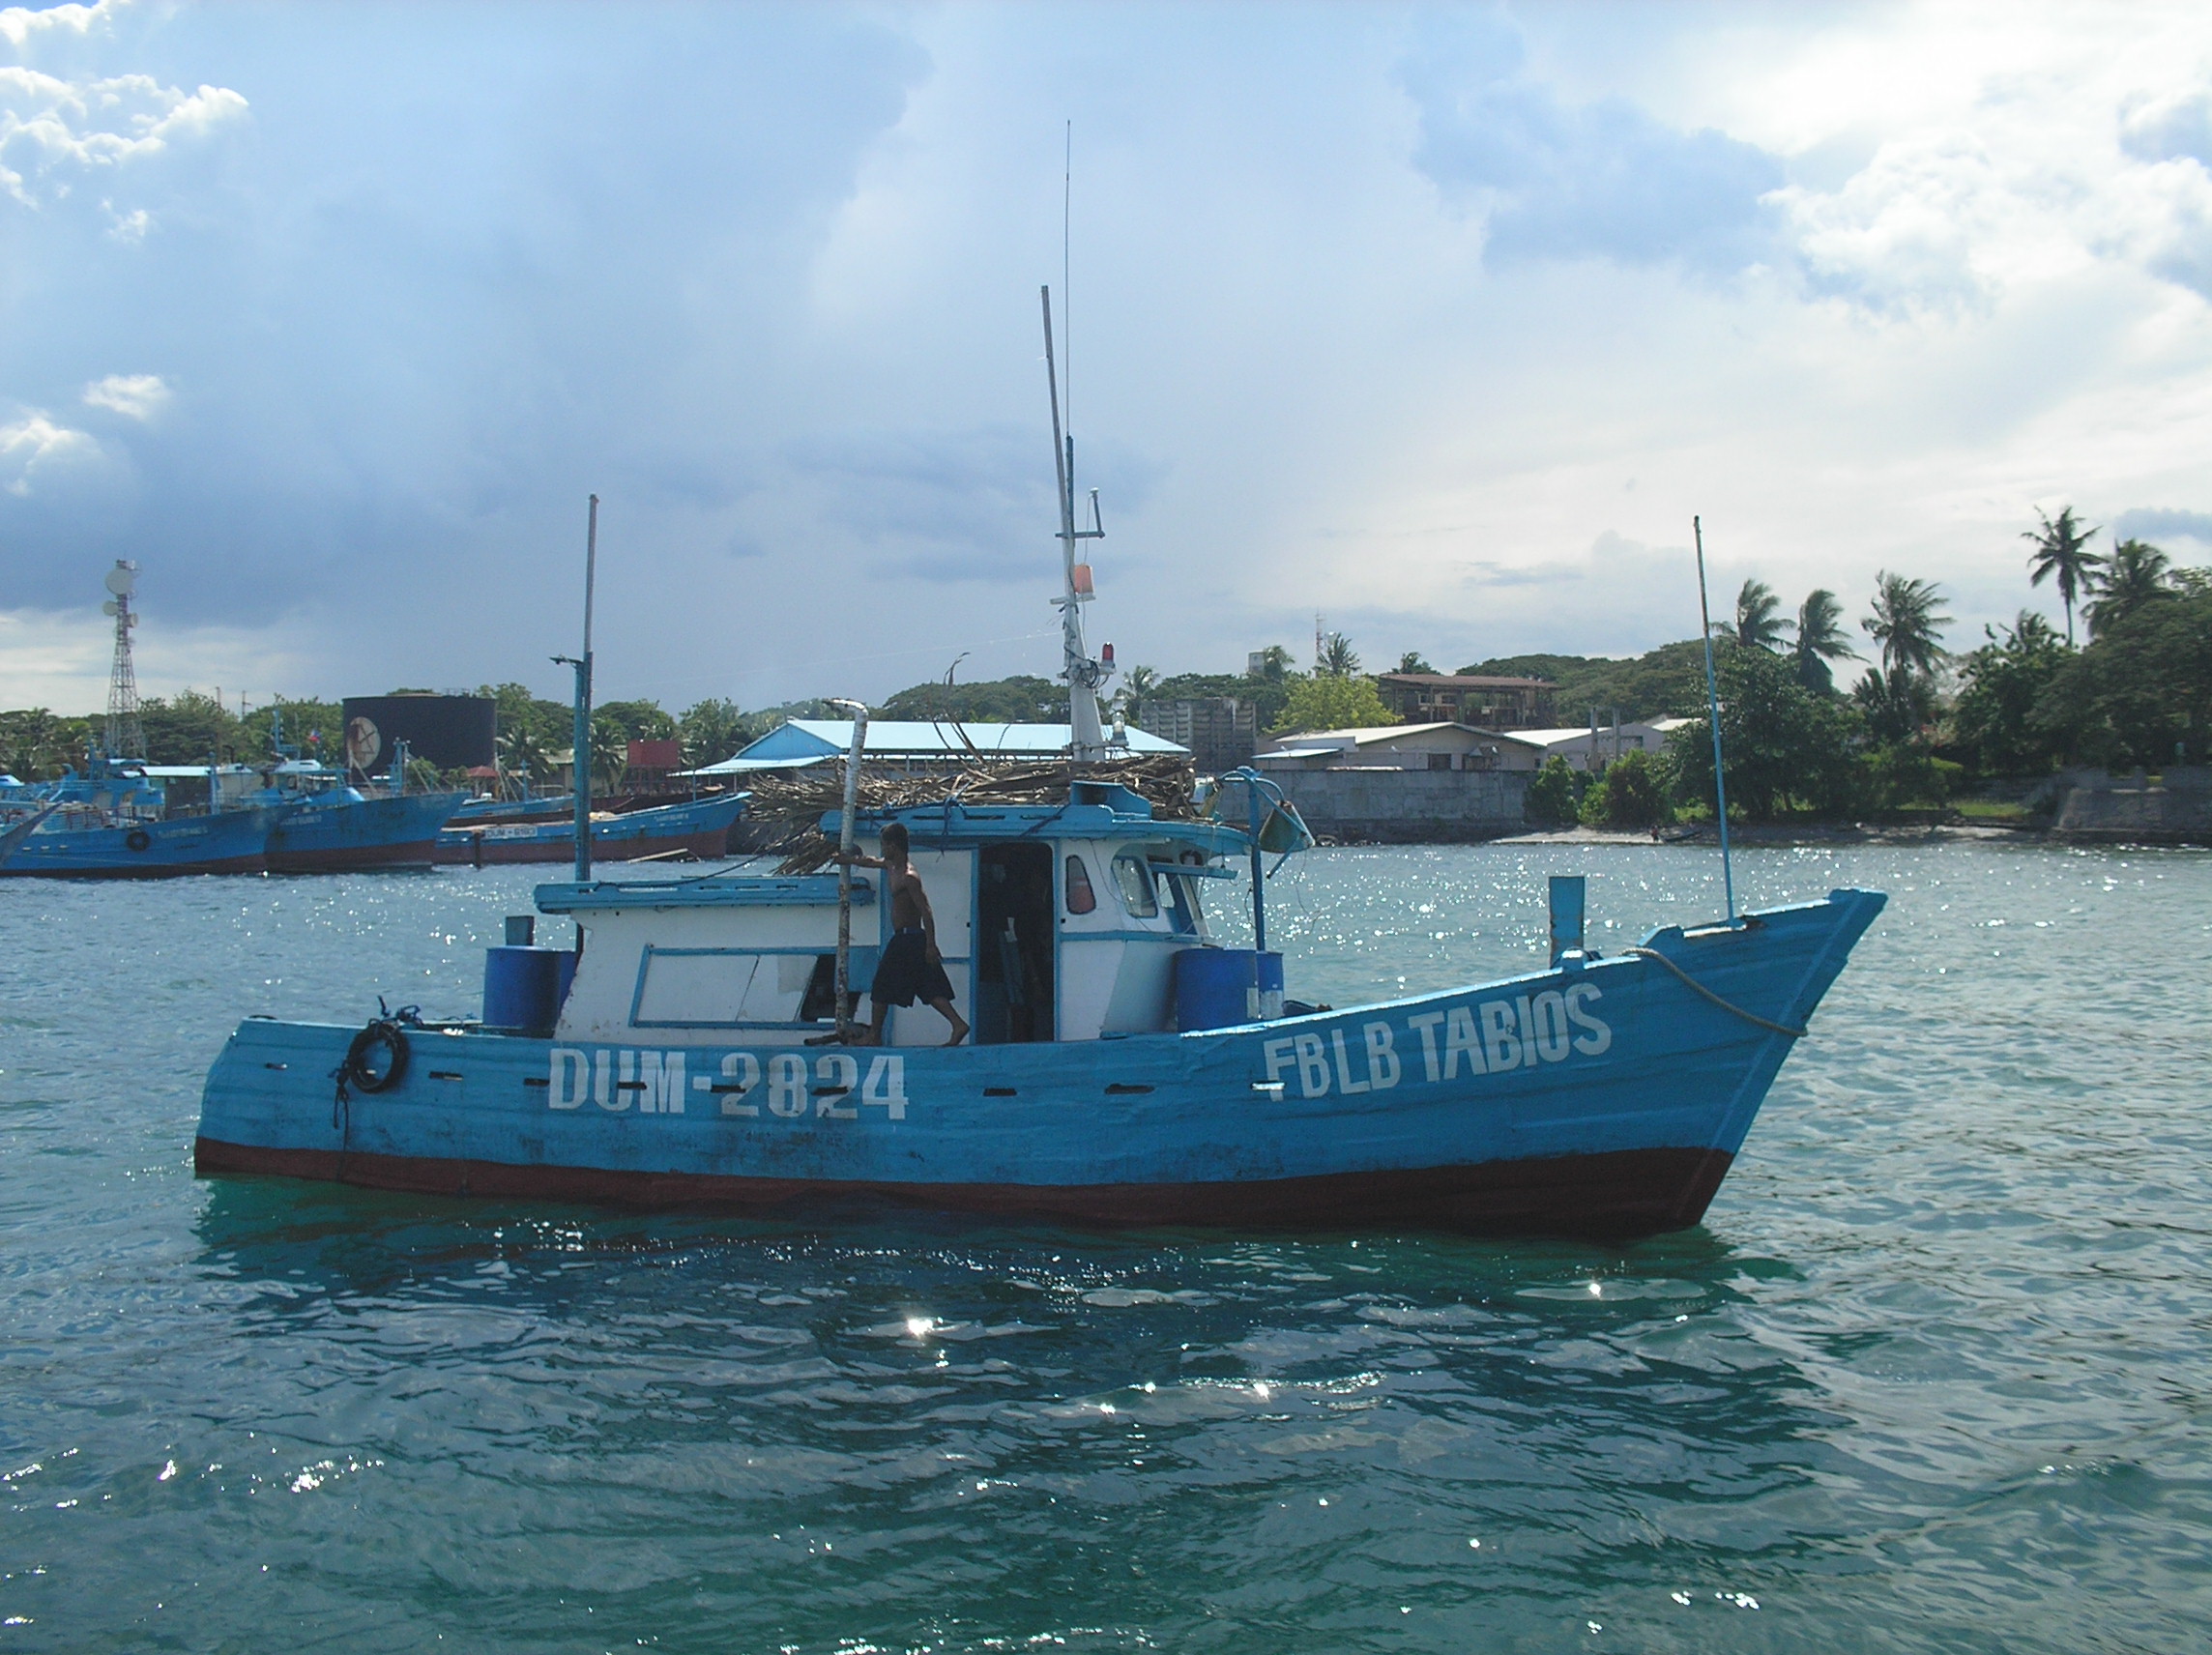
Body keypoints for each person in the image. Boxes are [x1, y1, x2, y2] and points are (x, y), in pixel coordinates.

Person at [837, 822, 969, 1047]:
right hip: (907, 937)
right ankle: (958, 1024)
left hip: (910, 939)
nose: (883, 850)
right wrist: (847, 860)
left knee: (881, 985)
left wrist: (931, 944)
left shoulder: (909, 876)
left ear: (893, 846)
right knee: (929, 986)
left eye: (884, 845)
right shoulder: (891, 866)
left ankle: (874, 1035)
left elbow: (926, 911)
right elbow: (871, 861)